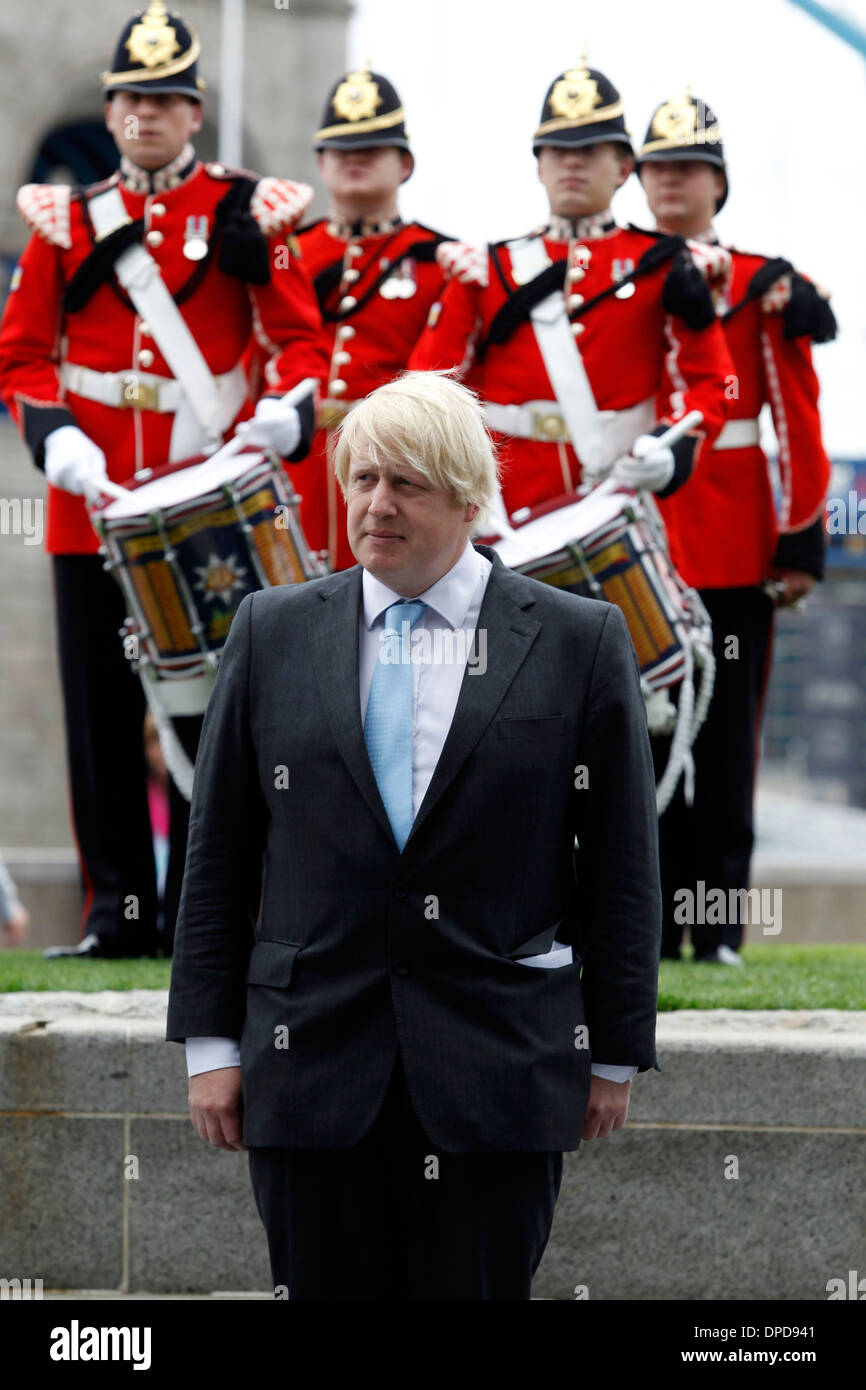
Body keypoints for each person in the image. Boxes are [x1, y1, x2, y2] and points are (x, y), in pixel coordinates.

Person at [166, 371, 662, 1302]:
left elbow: (623, 868)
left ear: (470, 502)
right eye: (362, 479)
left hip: (497, 1074)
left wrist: (613, 1051)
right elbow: (218, 854)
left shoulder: (579, 640)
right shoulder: (270, 631)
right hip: (307, 1071)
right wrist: (211, 1048)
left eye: (406, 484)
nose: (376, 505)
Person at [0, 1, 329, 958]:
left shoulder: (252, 215)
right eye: (131, 100)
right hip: (94, 502)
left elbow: (303, 346)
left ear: (195, 113)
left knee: (212, 711)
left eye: (166, 100)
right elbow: (21, 357)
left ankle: (203, 917)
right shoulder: (63, 221)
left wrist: (283, 414)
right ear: (110, 112)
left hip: (207, 504)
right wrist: (58, 439)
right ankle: (118, 918)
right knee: (101, 710)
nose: (146, 114)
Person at [636, 90, 834, 963]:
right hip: (633, 543)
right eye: (657, 167)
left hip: (729, 544)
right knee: (639, 745)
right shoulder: (613, 275)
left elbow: (792, 415)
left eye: (689, 168)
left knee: (723, 751)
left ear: (719, 183)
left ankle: (715, 931)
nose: (671, 182)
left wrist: (799, 540)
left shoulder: (761, 283)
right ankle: (643, 927)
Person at [410, 59, 734, 521]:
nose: (573, 162)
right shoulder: (485, 268)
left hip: (616, 498)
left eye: (591, 150)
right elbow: (429, 386)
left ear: (623, 168)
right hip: (503, 502)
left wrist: (673, 447)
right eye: (558, 150)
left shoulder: (666, 266)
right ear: (539, 166)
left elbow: (713, 383)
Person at [269, 67, 451, 572]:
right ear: (320, 162)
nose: (354, 158)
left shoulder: (438, 260)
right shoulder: (286, 253)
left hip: (388, 468)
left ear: (405, 163)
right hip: (296, 461)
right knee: (287, 592)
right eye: (340, 148)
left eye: (371, 148)